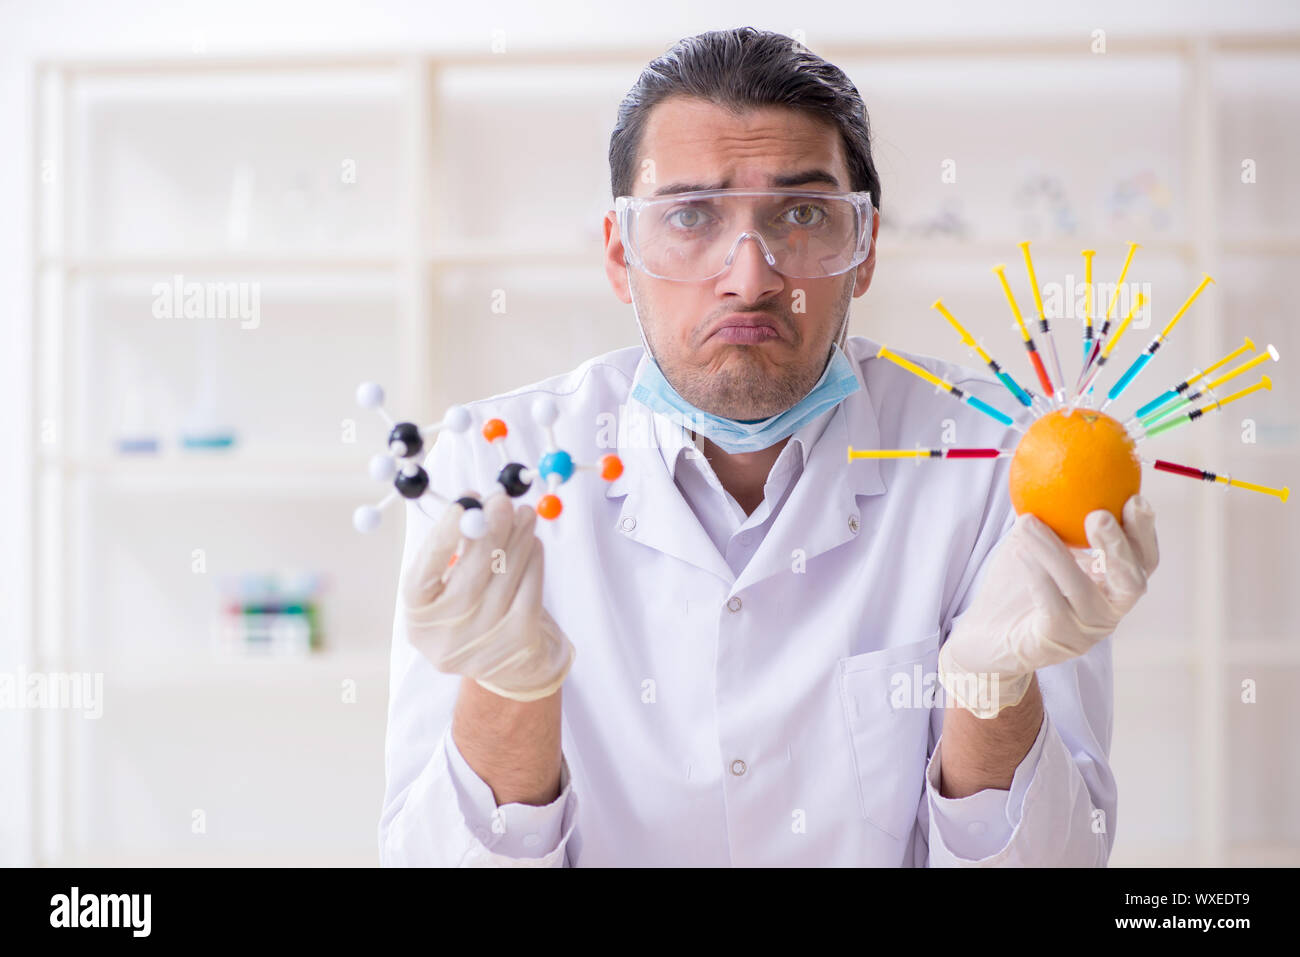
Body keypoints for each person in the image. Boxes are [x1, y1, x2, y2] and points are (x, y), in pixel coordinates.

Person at [379, 26, 1158, 867]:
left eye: (801, 214)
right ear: (620, 254)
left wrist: (990, 691)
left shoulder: (992, 467)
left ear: (863, 251)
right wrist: (508, 695)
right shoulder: (494, 479)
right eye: (688, 215)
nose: (749, 276)